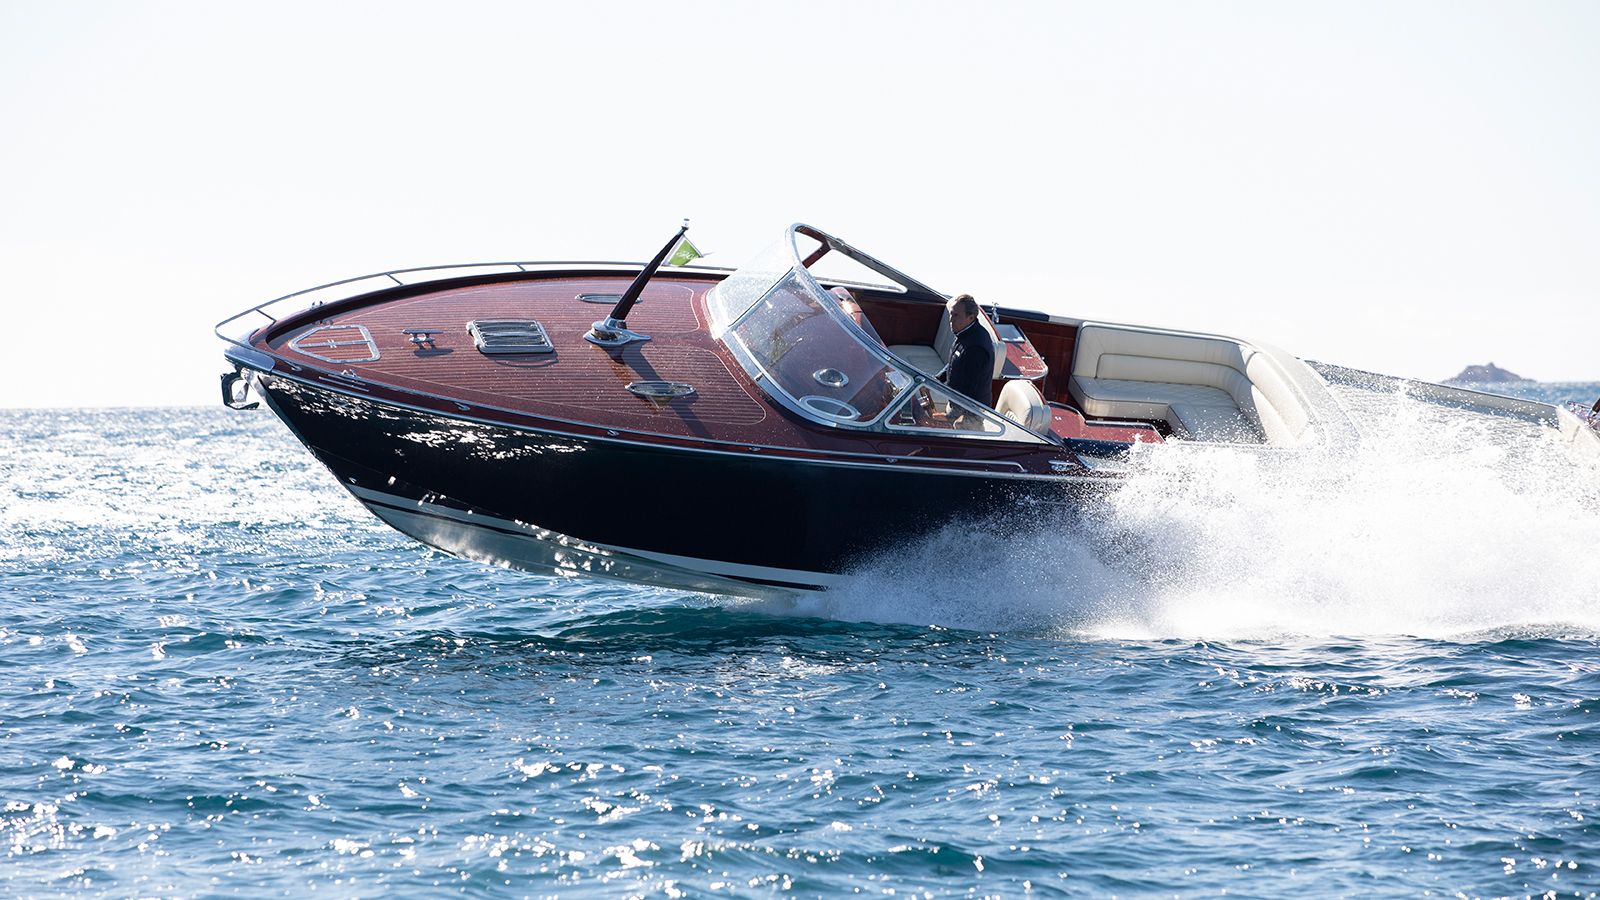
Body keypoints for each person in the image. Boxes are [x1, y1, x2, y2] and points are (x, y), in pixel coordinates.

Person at [942, 294, 994, 408]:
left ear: (970, 317)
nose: (951, 319)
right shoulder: (964, 332)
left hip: (969, 411)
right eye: (951, 314)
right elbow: (956, 363)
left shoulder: (976, 347)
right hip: (956, 401)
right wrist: (935, 380)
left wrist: (957, 416)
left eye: (956, 315)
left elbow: (970, 389)